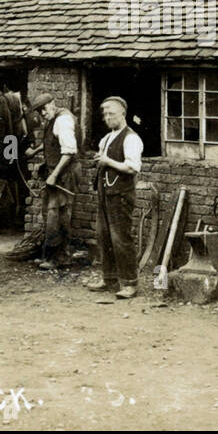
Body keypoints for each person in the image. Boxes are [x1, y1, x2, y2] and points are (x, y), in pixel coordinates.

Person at [88, 96, 142, 299]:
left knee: (121, 239)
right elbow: (104, 159)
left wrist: (107, 161)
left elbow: (131, 167)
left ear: (123, 114)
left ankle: (130, 283)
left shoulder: (131, 138)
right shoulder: (108, 137)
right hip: (105, 193)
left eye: (111, 113)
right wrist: (101, 160)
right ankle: (109, 278)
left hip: (120, 195)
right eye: (105, 114)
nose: (107, 117)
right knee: (103, 236)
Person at [31, 93, 80, 269]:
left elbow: (69, 151)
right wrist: (35, 152)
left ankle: (60, 257)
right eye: (39, 111)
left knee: (58, 215)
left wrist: (53, 174)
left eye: (44, 108)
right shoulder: (53, 119)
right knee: (50, 213)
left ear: (53, 103)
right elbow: (51, 143)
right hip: (56, 172)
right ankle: (50, 255)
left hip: (65, 174)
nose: (42, 113)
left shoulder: (63, 121)